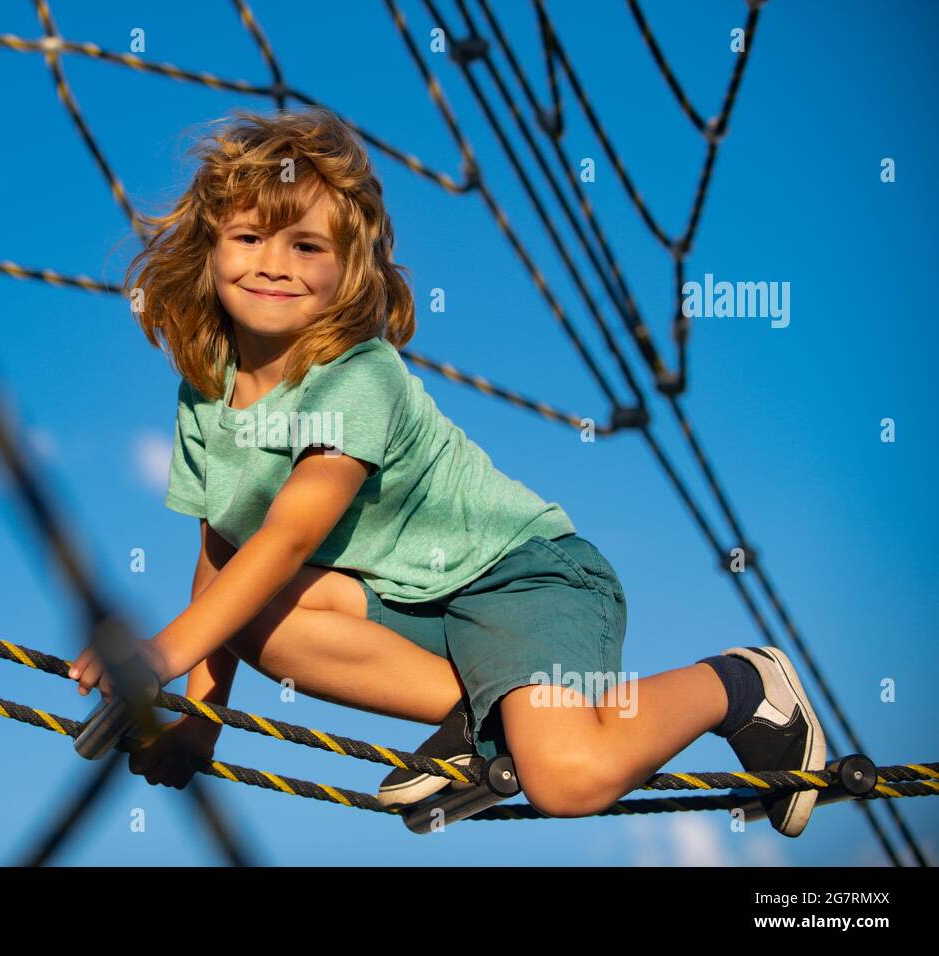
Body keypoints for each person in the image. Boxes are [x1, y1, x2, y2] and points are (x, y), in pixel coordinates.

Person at [68, 105, 826, 837]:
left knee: (565, 777)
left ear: (350, 272)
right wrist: (201, 726)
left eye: (306, 246)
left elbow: (290, 535)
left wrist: (160, 654)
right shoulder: (207, 392)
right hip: (413, 610)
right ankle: (486, 724)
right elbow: (223, 555)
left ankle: (739, 684)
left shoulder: (358, 376)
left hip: (525, 579)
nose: (273, 263)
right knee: (248, 610)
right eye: (248, 236)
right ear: (210, 249)